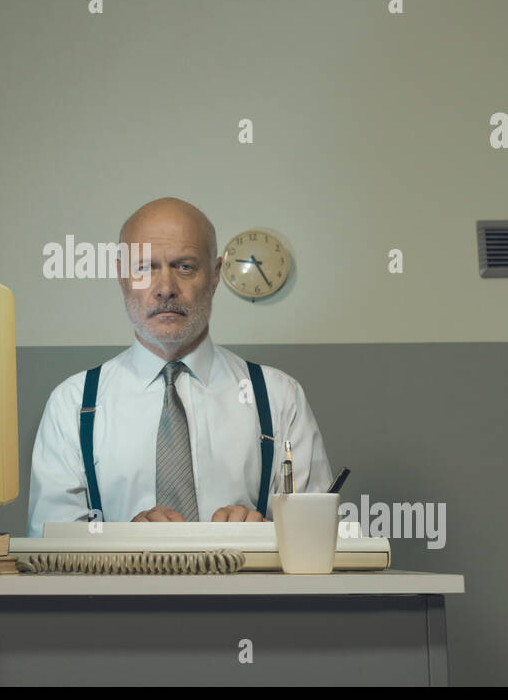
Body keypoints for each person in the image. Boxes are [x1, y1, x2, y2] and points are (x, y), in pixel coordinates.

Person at [26, 197, 333, 536]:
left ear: (215, 276)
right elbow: (49, 552)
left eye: (185, 267)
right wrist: (118, 545)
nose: (166, 289)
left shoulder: (279, 398)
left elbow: (316, 544)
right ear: (121, 277)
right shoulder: (71, 405)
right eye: (145, 268)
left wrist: (264, 536)